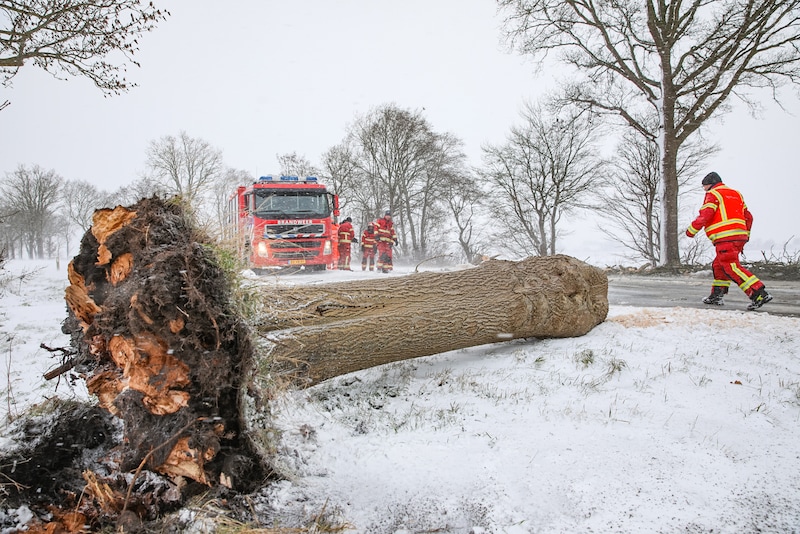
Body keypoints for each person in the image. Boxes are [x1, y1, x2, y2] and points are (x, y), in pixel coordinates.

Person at [686, 171, 772, 310]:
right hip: (738, 236)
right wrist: (745, 236)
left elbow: (706, 214)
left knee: (731, 267)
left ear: (710, 185)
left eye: (704, 187)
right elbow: (748, 217)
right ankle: (717, 295)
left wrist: (691, 230)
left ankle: (758, 293)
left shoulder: (713, 194)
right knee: (719, 265)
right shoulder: (736, 194)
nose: (704, 190)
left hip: (725, 237)